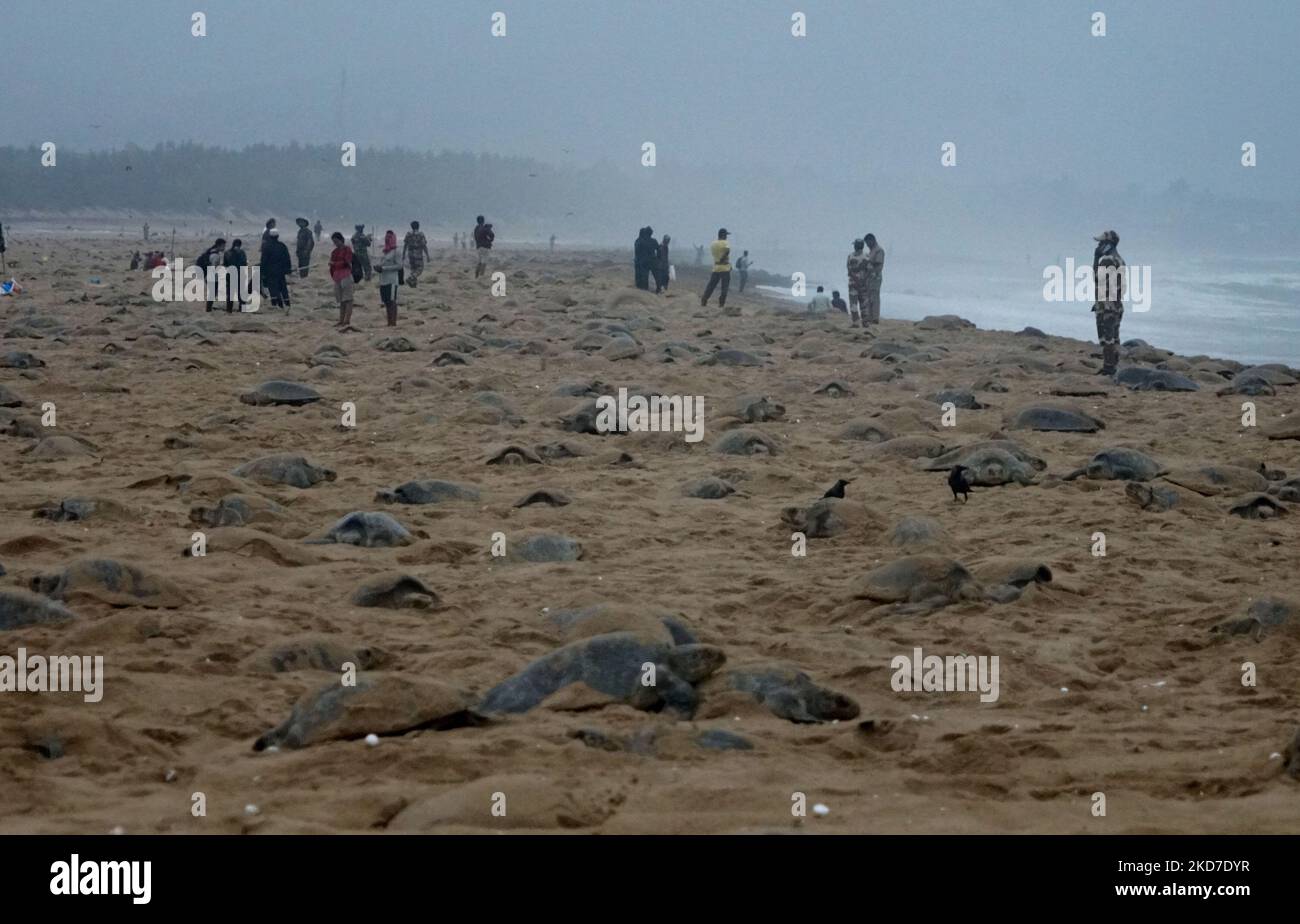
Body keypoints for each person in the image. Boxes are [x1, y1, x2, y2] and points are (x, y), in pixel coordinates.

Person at [1092, 229, 1125, 375]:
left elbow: (1097, 279)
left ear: (1108, 244)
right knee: (1115, 338)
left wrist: (1095, 258)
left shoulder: (1107, 260)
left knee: (1106, 339)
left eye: (1101, 243)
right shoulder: (1120, 260)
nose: (1099, 246)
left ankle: (1108, 368)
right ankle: (1113, 365)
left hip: (1106, 305)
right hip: (1116, 304)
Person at [328, 232, 356, 329]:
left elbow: (347, 262)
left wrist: (335, 264)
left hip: (346, 276)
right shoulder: (334, 252)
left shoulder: (347, 249)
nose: (335, 243)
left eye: (337, 241)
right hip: (337, 277)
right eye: (334, 242)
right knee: (341, 300)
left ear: (341, 240)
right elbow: (332, 264)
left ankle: (347, 320)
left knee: (348, 299)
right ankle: (341, 320)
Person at [700, 228, 732, 309]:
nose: (727, 237)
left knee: (711, 285)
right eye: (726, 235)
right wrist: (723, 258)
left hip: (716, 267)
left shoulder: (713, 244)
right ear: (723, 235)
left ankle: (704, 299)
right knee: (724, 287)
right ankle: (721, 303)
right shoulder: (725, 243)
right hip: (725, 268)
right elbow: (727, 251)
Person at [375, 230, 401, 327]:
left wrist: (384, 268)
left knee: (392, 301)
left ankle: (393, 322)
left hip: (392, 280)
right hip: (383, 280)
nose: (387, 239)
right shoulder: (385, 252)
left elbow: (399, 266)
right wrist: (378, 267)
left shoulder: (396, 252)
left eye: (389, 237)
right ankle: (389, 322)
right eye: (386, 237)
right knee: (386, 302)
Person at [261, 228, 292, 309]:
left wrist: (263, 272)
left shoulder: (266, 247)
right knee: (283, 287)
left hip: (270, 271)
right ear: (278, 236)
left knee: (273, 288)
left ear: (270, 237)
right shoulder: (282, 246)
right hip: (281, 271)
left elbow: (264, 261)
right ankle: (287, 303)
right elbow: (287, 258)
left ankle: (276, 304)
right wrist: (288, 269)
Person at [195, 238, 227, 312]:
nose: (224, 248)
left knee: (212, 293)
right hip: (212, 277)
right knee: (212, 294)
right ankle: (208, 309)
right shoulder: (215, 255)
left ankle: (209, 308)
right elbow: (213, 267)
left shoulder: (210, 252)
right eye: (223, 246)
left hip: (208, 276)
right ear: (219, 245)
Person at [846, 239, 870, 327]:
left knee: (853, 304)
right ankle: (865, 322)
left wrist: (855, 279)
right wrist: (863, 280)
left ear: (855, 246)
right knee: (864, 304)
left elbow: (849, 270)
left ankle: (855, 322)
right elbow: (869, 271)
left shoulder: (850, 256)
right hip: (864, 284)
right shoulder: (867, 256)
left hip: (853, 283)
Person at [221, 239, 249, 313]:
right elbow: (244, 264)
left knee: (230, 294)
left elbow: (225, 264)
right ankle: (242, 309)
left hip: (230, 275)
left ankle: (229, 310)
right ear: (240, 245)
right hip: (241, 275)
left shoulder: (227, 252)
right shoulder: (242, 252)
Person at [862, 233, 885, 325]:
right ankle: (870, 317)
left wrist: (868, 263)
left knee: (874, 298)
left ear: (872, 240)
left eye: (868, 243)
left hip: (875, 276)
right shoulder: (871, 251)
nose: (867, 245)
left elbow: (878, 263)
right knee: (868, 298)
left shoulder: (879, 250)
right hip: (869, 277)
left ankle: (875, 318)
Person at [402, 221, 429, 286]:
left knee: (413, 268)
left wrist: (403, 254)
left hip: (410, 254)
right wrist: (427, 255)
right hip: (418, 254)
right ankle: (411, 278)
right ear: (418, 226)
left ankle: (413, 284)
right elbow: (424, 245)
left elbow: (405, 245)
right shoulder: (421, 234)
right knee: (420, 269)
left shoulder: (408, 234)